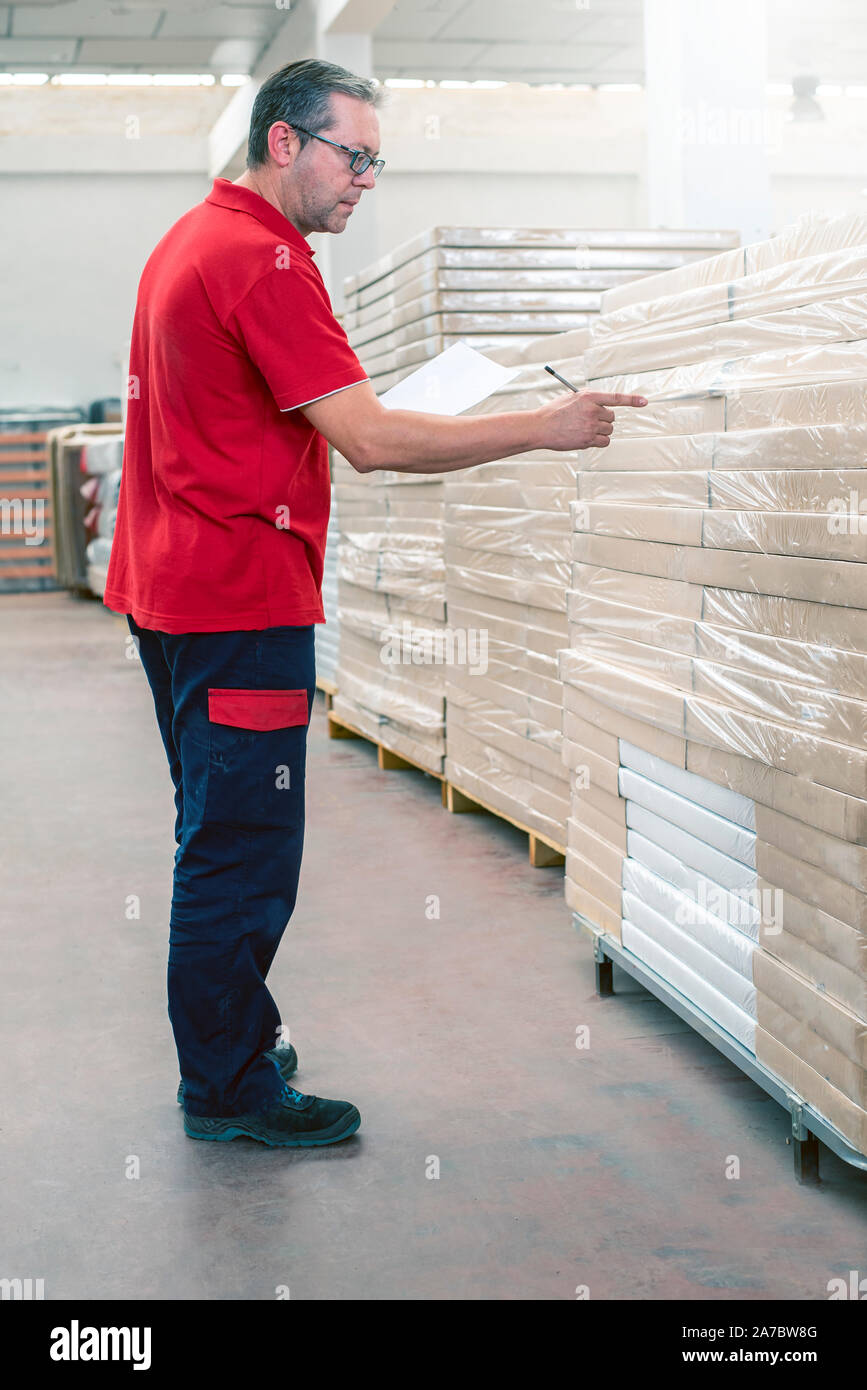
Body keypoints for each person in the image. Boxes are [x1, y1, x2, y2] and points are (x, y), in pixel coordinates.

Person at [104, 57, 647, 1150]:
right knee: (241, 852)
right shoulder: (261, 259)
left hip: (172, 592)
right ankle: (226, 1084)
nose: (365, 180)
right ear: (283, 143)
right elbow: (372, 439)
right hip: (238, 600)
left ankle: (234, 1035)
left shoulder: (192, 241)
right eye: (353, 155)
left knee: (217, 831)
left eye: (376, 161)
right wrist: (545, 429)